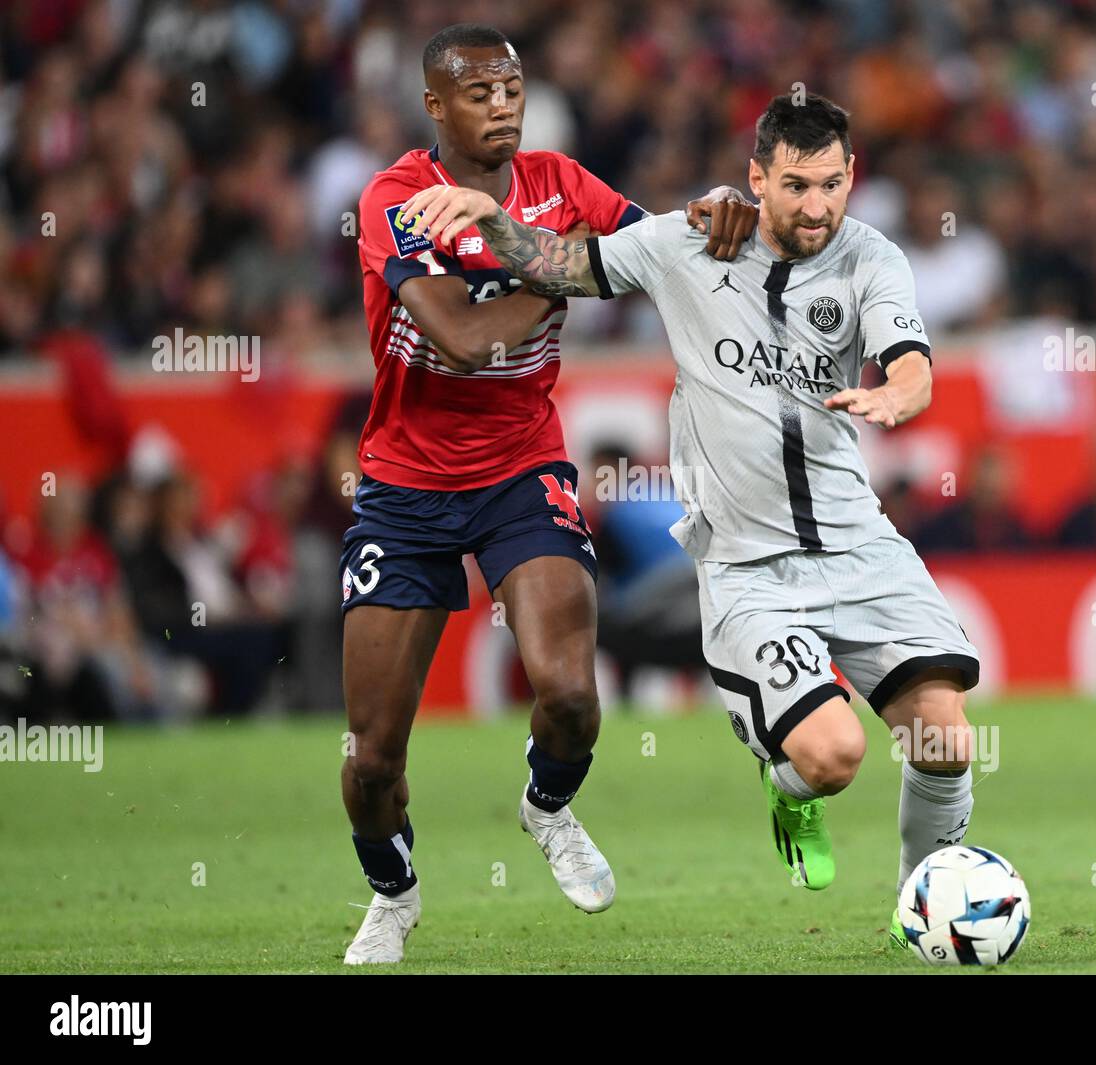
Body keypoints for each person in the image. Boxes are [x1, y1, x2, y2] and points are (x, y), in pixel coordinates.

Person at [398, 91, 981, 952]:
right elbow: (565, 264)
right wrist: (492, 219)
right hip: (748, 567)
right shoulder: (683, 244)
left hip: (860, 544)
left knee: (944, 737)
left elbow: (912, 365)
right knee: (833, 758)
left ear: (852, 176)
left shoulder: (872, 259)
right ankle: (787, 785)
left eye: (831, 184)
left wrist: (897, 391)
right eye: (794, 186)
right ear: (757, 178)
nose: (816, 206)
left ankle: (920, 914)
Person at [339, 23, 756, 964]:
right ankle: (393, 891)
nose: (501, 105)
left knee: (570, 693)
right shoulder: (398, 200)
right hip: (404, 488)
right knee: (371, 758)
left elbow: (668, 247)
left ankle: (548, 807)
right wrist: (568, 272)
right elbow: (460, 337)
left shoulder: (564, 183)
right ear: (436, 107)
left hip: (522, 467)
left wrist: (721, 207)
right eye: (478, 92)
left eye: (512, 88)